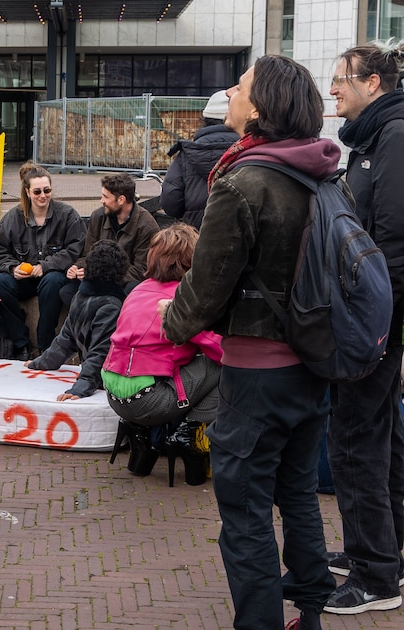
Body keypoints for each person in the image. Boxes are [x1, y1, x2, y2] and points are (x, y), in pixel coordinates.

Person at [160, 55, 340, 630]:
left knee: (243, 511)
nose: (231, 95)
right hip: (313, 365)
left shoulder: (243, 182)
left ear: (258, 107)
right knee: (299, 493)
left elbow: (206, 287)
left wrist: (170, 320)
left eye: (239, 87)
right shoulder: (323, 174)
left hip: (257, 374)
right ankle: (309, 613)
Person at [323, 41, 404, 616]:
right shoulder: (376, 138)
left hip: (374, 322)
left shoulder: (393, 138)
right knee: (382, 436)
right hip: (378, 319)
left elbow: (393, 242)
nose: (332, 88)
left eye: (340, 78)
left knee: (354, 438)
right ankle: (383, 553)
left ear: (371, 82)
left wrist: (372, 324)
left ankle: (375, 576)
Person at [102, 224, 222, 485]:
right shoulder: (185, 298)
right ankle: (189, 435)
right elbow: (220, 351)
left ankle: (142, 440)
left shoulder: (137, 289)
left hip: (113, 394)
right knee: (225, 366)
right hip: (148, 399)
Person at [0, 162, 85, 360]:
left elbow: (76, 248)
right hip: (24, 279)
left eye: (47, 190)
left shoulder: (67, 215)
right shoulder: (13, 218)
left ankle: (45, 345)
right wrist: (12, 268)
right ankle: (21, 343)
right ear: (27, 192)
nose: (43, 196)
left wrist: (46, 266)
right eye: (37, 191)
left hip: (53, 276)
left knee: (52, 282)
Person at [25, 240, 126, 402]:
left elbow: (65, 340)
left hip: (96, 376)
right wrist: (82, 387)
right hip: (108, 379)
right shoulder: (111, 306)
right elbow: (100, 352)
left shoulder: (80, 295)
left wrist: (40, 362)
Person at [60, 173, 159, 307]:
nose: (102, 201)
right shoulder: (98, 216)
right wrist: (77, 267)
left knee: (130, 290)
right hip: (97, 278)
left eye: (106, 197)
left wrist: (102, 274)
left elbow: (141, 270)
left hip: (124, 281)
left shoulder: (146, 226)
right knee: (66, 291)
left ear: (121, 200)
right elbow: (88, 254)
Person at [161, 91, 240, 229]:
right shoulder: (251, 151)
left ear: (205, 119)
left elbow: (170, 203)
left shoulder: (186, 154)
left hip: (196, 233)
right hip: (241, 234)